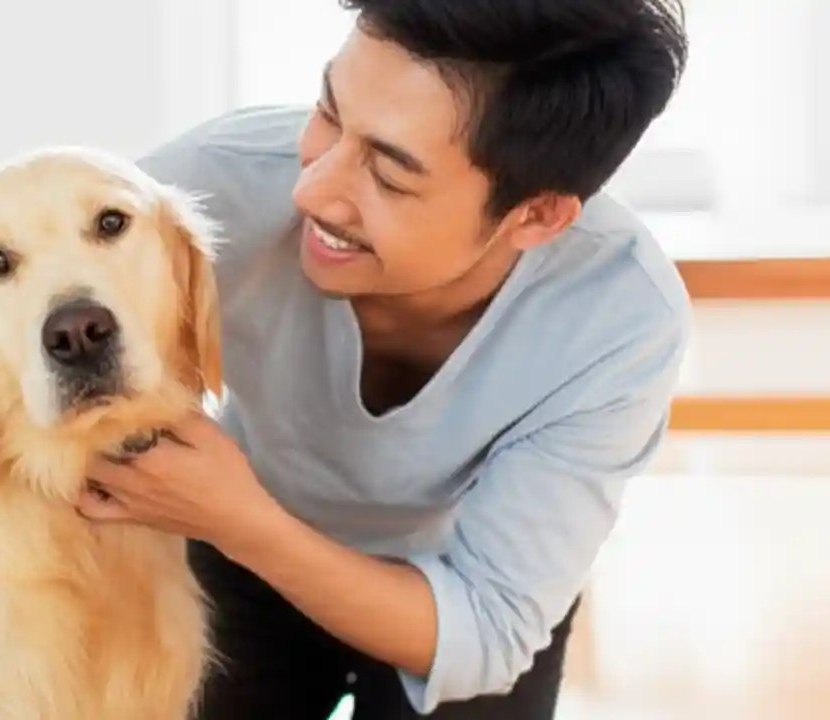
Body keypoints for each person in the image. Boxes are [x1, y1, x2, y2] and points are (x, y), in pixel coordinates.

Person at [76, 1, 691, 717]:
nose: (314, 189)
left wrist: (241, 519)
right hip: (240, 543)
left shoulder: (620, 321)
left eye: (391, 176)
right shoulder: (205, 190)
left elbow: (487, 628)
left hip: (455, 579)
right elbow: (0, 336)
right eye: (329, 114)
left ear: (536, 215)